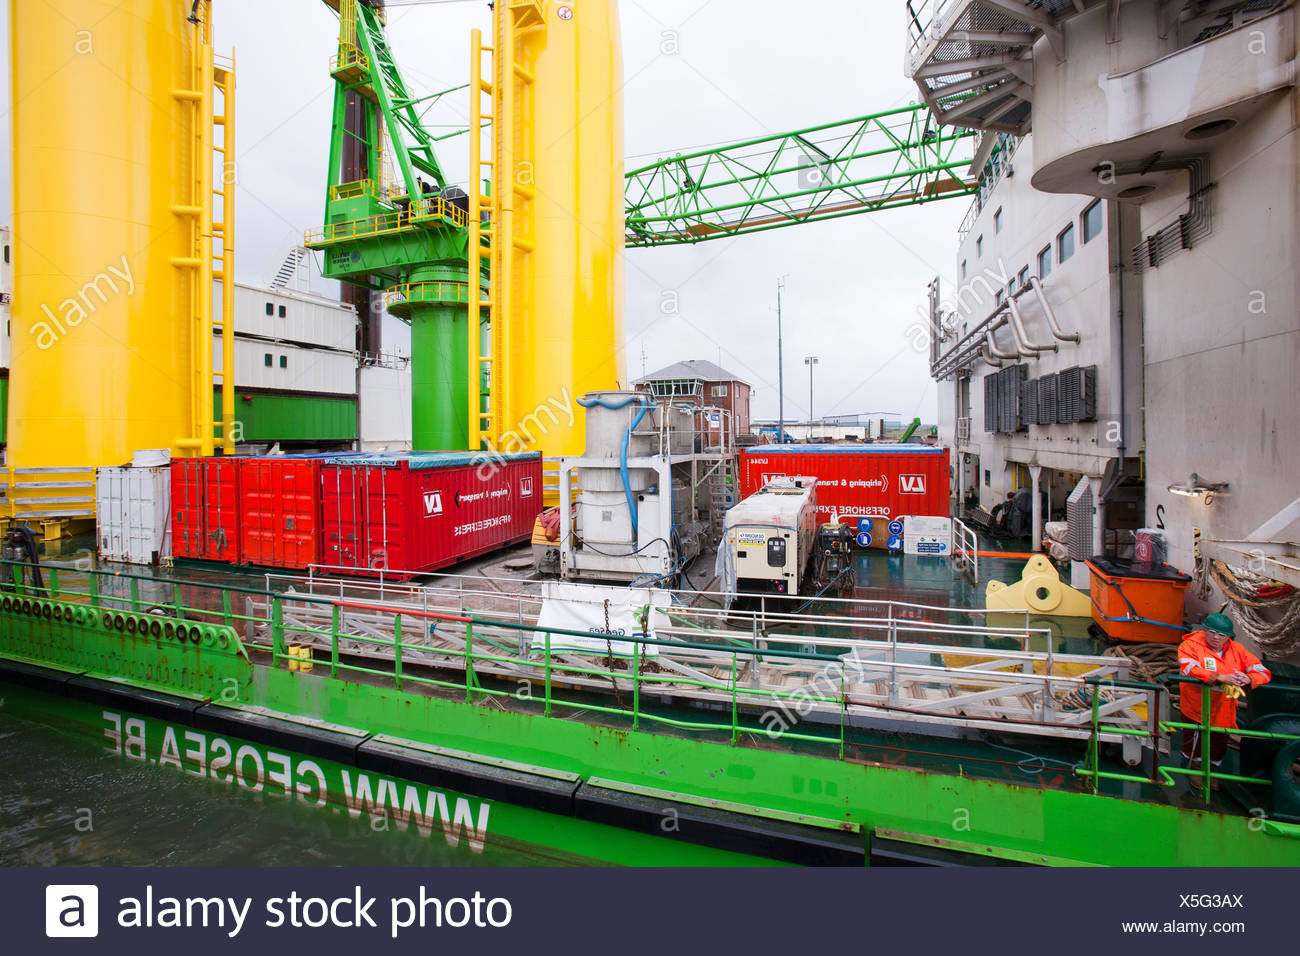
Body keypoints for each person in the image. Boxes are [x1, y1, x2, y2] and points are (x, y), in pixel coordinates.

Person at [1176, 613, 1271, 768]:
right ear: (1204, 631)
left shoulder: (1237, 650)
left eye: (1221, 635)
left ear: (1228, 637)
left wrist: (1249, 679)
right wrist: (1219, 677)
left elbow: (1261, 671)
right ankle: (1194, 769)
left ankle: (1212, 770)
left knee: (1218, 744)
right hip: (1196, 707)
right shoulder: (1190, 646)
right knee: (1195, 740)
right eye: (1212, 633)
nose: (1216, 638)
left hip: (1223, 710)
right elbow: (1189, 668)